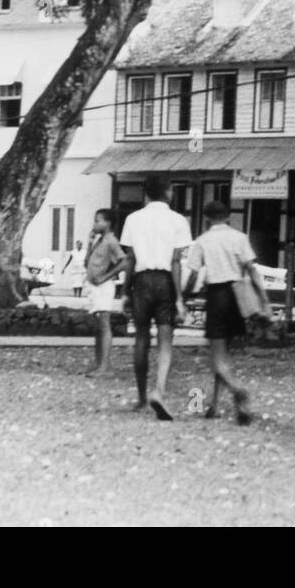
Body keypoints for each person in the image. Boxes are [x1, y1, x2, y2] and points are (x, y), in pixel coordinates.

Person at [184, 200, 268, 426]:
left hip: (217, 294)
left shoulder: (202, 241)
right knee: (225, 354)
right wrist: (264, 301)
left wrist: (184, 295)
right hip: (237, 295)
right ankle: (214, 403)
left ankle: (237, 389)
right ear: (228, 216)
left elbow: (192, 274)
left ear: (206, 218)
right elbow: (251, 270)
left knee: (216, 354)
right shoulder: (239, 237)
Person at [121, 176, 193, 420]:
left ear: (146, 194)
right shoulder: (178, 220)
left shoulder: (132, 219)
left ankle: (141, 397)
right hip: (164, 282)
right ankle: (159, 390)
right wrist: (180, 298)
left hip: (140, 282)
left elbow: (130, 258)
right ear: (169, 192)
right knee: (165, 339)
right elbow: (176, 262)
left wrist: (124, 292)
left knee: (141, 338)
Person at [84, 210, 127, 377]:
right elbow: (87, 261)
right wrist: (89, 243)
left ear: (107, 223)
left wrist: (105, 277)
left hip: (103, 286)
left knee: (104, 324)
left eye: (97, 221)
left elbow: (124, 261)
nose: (94, 224)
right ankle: (99, 363)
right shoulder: (99, 241)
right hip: (93, 286)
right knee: (98, 326)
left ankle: (105, 366)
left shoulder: (111, 241)